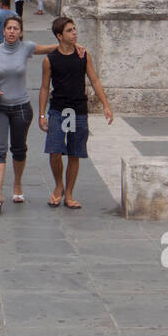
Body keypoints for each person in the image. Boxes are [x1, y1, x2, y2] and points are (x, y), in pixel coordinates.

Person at [0, 14, 59, 213]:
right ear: (3, 31)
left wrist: (71, 46)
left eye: (16, 28)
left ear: (21, 32)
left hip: (21, 107)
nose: (12, 32)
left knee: (19, 148)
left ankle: (17, 184)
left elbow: (50, 49)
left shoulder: (27, 48)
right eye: (9, 28)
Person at [39, 15, 113, 208]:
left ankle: (69, 193)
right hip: (58, 110)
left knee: (74, 152)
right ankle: (58, 186)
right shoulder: (50, 60)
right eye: (69, 31)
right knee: (55, 151)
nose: (74, 34)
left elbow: (94, 80)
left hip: (78, 109)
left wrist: (106, 104)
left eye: (74, 30)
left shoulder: (83, 55)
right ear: (59, 36)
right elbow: (45, 87)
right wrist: (41, 114)